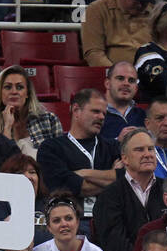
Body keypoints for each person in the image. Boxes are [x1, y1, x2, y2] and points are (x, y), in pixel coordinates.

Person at [37, 90, 122, 220]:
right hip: (70, 222)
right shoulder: (50, 148)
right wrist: (111, 175)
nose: (102, 117)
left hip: (110, 219)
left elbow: (126, 179)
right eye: (96, 111)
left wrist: (83, 173)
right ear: (76, 110)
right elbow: (66, 188)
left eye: (104, 113)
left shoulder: (113, 147)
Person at [90, 127, 164, 251]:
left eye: (151, 149)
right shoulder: (109, 196)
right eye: (139, 150)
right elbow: (115, 245)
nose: (147, 154)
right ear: (125, 159)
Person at [0, 64, 63, 158]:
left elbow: (61, 159)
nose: (14, 92)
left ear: (27, 94)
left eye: (20, 87)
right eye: (8, 87)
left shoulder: (49, 120)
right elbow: (0, 164)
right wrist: (7, 127)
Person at [101, 61, 146, 142]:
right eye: (120, 78)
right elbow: (86, 150)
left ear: (136, 88)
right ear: (107, 83)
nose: (126, 83)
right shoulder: (94, 114)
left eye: (131, 80)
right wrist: (117, 142)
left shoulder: (144, 116)